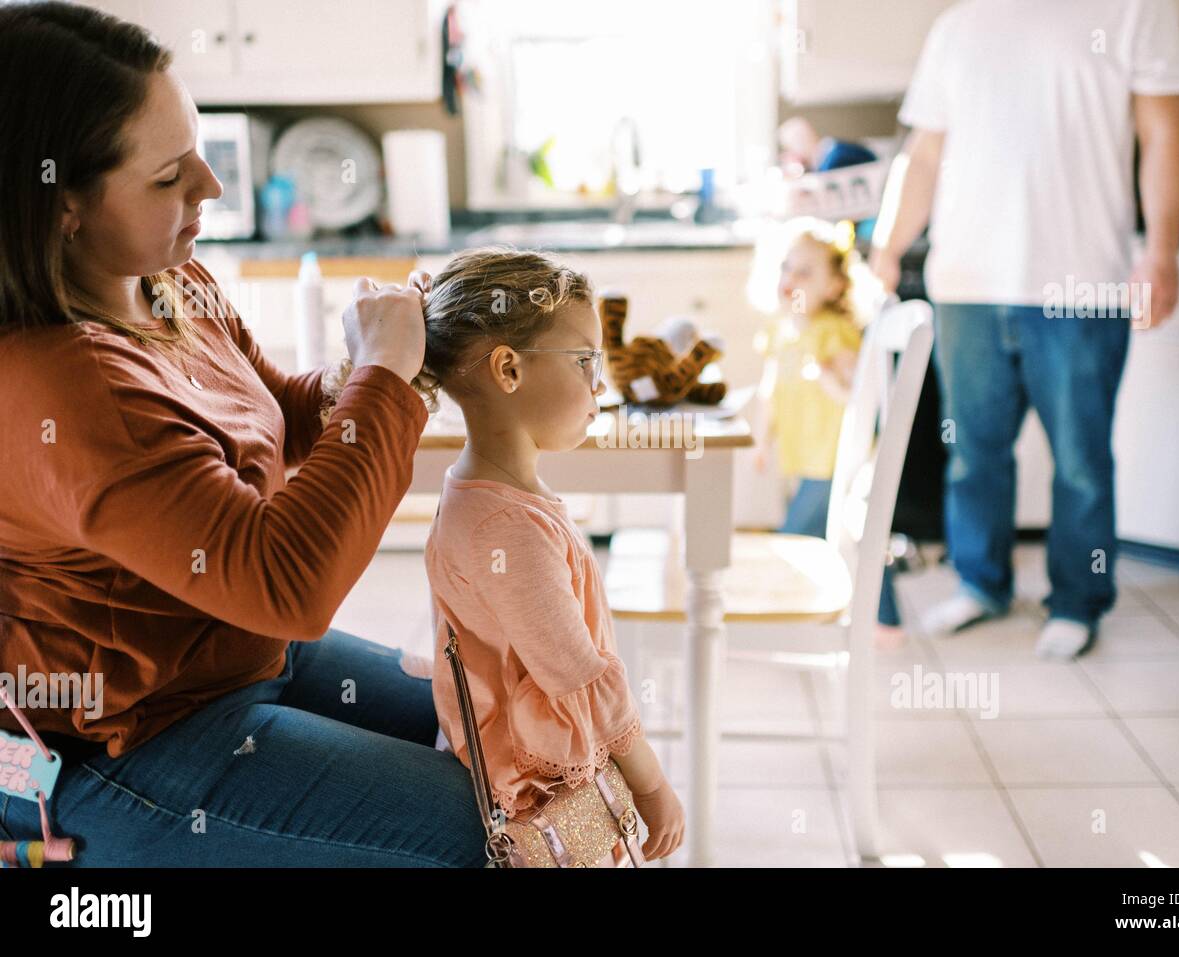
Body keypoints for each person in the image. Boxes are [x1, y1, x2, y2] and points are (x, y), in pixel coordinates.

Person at [0, 2, 484, 865]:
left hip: (244, 658)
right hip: (131, 739)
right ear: (64, 205)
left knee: (506, 745)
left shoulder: (165, 279)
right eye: (167, 176)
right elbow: (286, 581)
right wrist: (381, 384)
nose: (212, 189)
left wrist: (355, 374)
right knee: (484, 831)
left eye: (198, 152)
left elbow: (272, 415)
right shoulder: (64, 385)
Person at [322, 249, 686, 862]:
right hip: (533, 790)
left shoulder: (499, 496)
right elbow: (579, 677)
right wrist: (651, 786)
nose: (600, 384)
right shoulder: (505, 528)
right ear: (508, 369)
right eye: (584, 361)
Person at [868, 0, 1179, 658]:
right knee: (974, 453)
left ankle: (1078, 599)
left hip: (1083, 285)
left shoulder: (1137, 9)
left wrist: (1161, 252)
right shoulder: (959, 26)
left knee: (1081, 461)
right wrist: (887, 245)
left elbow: (1162, 135)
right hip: (965, 284)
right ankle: (981, 582)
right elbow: (924, 155)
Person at [752, 220, 906, 643]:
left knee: (797, 535)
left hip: (838, 457)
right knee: (851, 535)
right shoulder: (782, 331)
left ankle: (791, 616)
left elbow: (859, 395)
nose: (791, 280)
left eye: (806, 273)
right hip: (808, 456)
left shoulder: (832, 332)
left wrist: (826, 377)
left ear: (835, 287)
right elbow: (769, 390)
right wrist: (762, 441)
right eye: (787, 268)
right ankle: (879, 617)